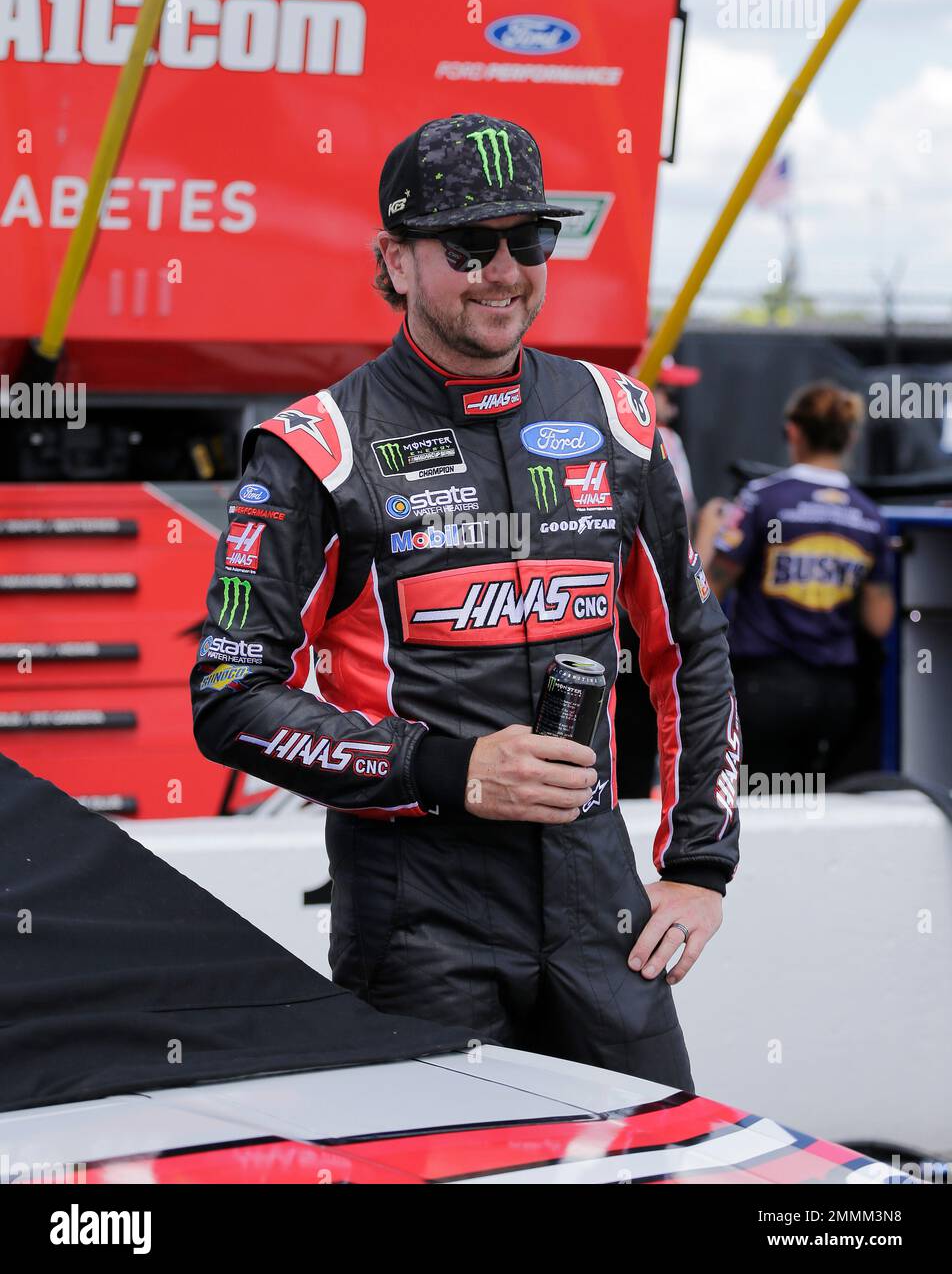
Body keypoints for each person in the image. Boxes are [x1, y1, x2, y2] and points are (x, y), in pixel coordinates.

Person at [190, 112, 740, 1091]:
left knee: (658, 1163)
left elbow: (690, 648)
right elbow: (229, 694)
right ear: (394, 261)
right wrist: (446, 768)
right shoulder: (313, 447)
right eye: (468, 245)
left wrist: (699, 862)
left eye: (527, 240)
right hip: (415, 908)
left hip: (596, 896)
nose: (503, 270)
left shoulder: (616, 420)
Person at [698, 381, 894, 778]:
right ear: (850, 437)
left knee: (761, 813)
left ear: (793, 432)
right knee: (827, 814)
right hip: (838, 696)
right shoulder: (870, 516)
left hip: (765, 690)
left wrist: (706, 533)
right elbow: (880, 622)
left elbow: (709, 592)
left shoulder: (760, 499)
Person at [615, 355, 701, 797]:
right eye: (664, 390)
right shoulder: (657, 437)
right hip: (642, 605)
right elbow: (678, 528)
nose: (671, 402)